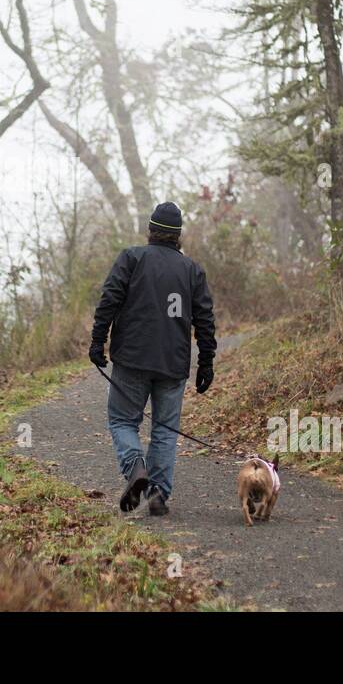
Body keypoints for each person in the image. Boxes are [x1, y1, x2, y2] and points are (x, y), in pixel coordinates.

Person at [89, 201, 216, 516]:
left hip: (132, 358)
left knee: (122, 419)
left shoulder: (132, 258)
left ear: (151, 231)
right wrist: (207, 361)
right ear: (178, 235)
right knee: (164, 428)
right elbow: (205, 318)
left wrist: (97, 340)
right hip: (173, 364)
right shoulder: (192, 270)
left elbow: (110, 298)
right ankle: (157, 494)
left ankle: (135, 469)